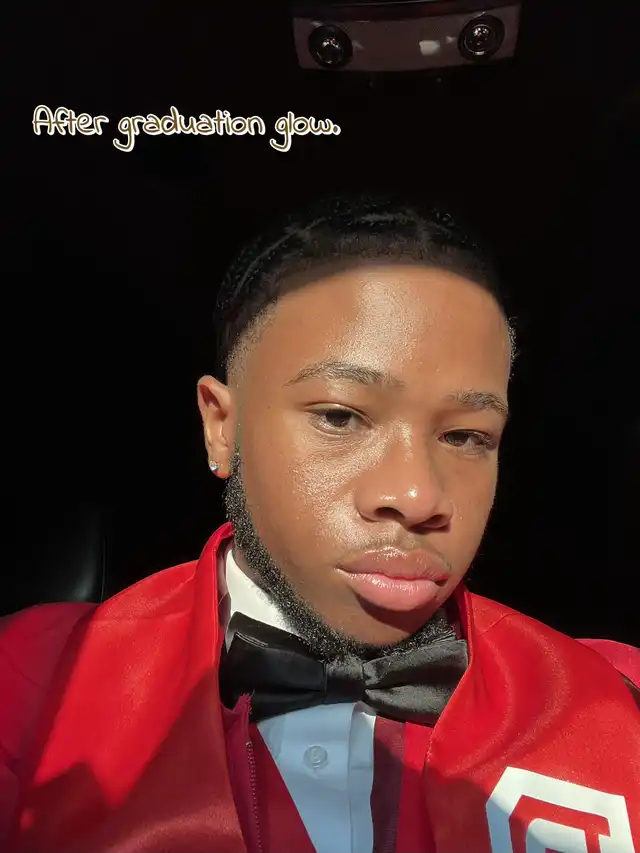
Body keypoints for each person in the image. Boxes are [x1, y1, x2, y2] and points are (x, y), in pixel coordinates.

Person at [1, 194, 638, 853]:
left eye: (466, 436)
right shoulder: (27, 686)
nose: (417, 496)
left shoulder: (617, 700)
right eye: (340, 416)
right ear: (221, 427)